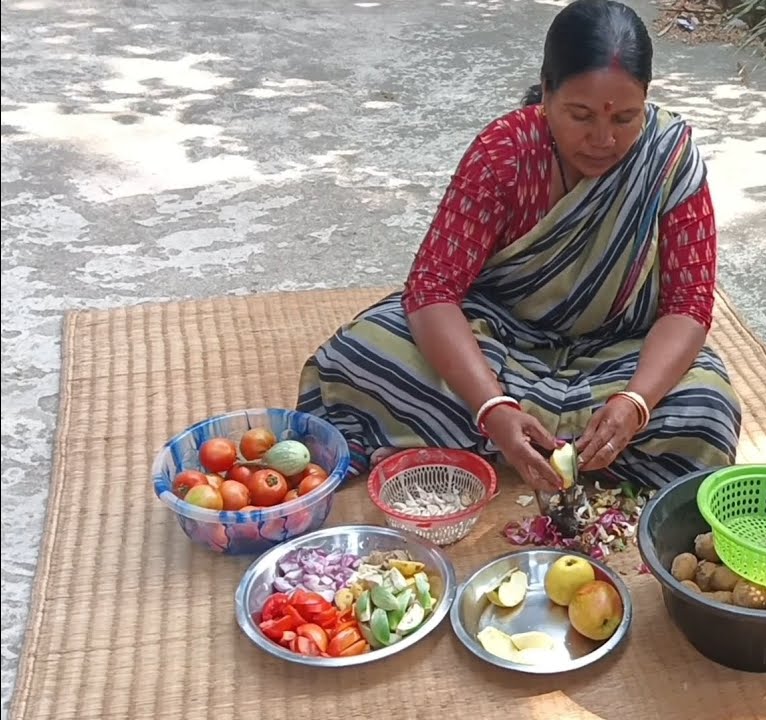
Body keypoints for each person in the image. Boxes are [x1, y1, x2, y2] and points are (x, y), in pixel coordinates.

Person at [296, 0, 742, 493]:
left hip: (620, 352)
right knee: (366, 351)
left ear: (647, 100)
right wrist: (492, 407)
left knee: (706, 407)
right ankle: (543, 442)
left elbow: (689, 305)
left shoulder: (669, 158)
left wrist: (635, 403)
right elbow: (432, 291)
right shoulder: (505, 152)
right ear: (546, 94)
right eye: (580, 114)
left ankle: (522, 440)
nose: (602, 139)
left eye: (625, 118)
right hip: (497, 339)